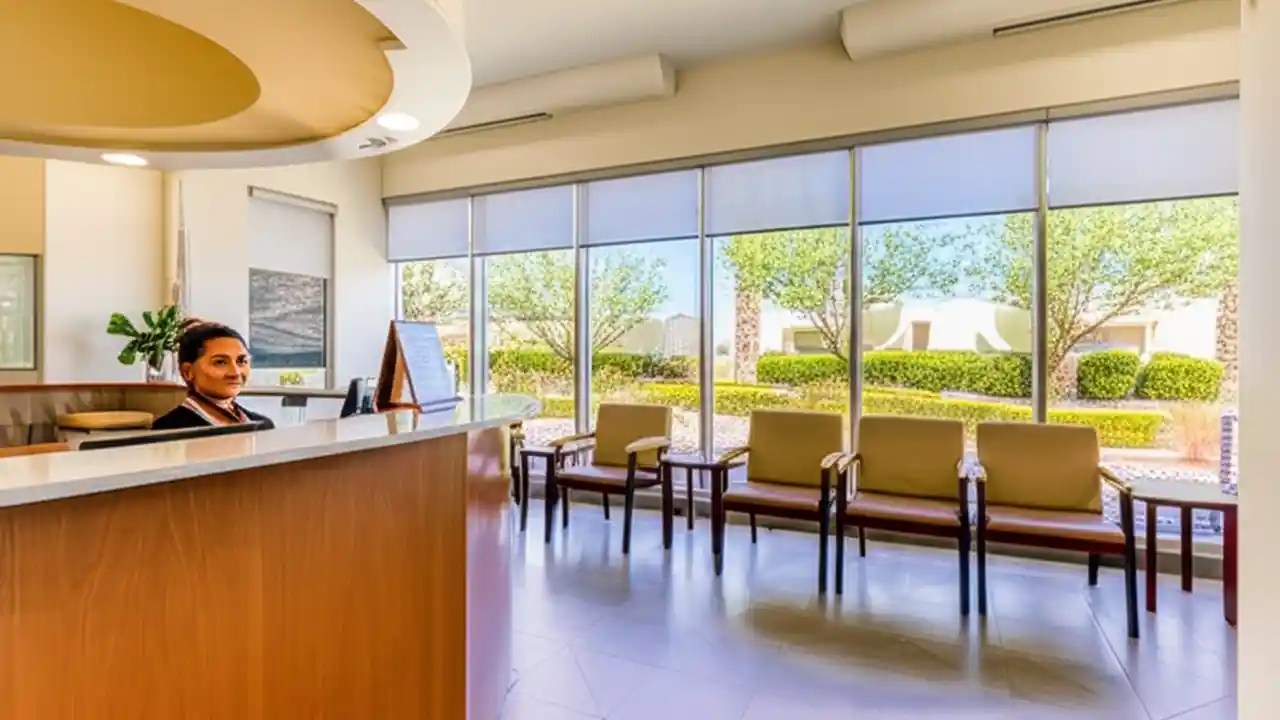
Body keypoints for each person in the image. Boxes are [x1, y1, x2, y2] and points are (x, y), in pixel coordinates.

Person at [152, 319, 275, 431]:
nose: (235, 372)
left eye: (241, 361)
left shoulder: (262, 424)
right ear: (188, 371)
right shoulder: (170, 429)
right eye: (220, 362)